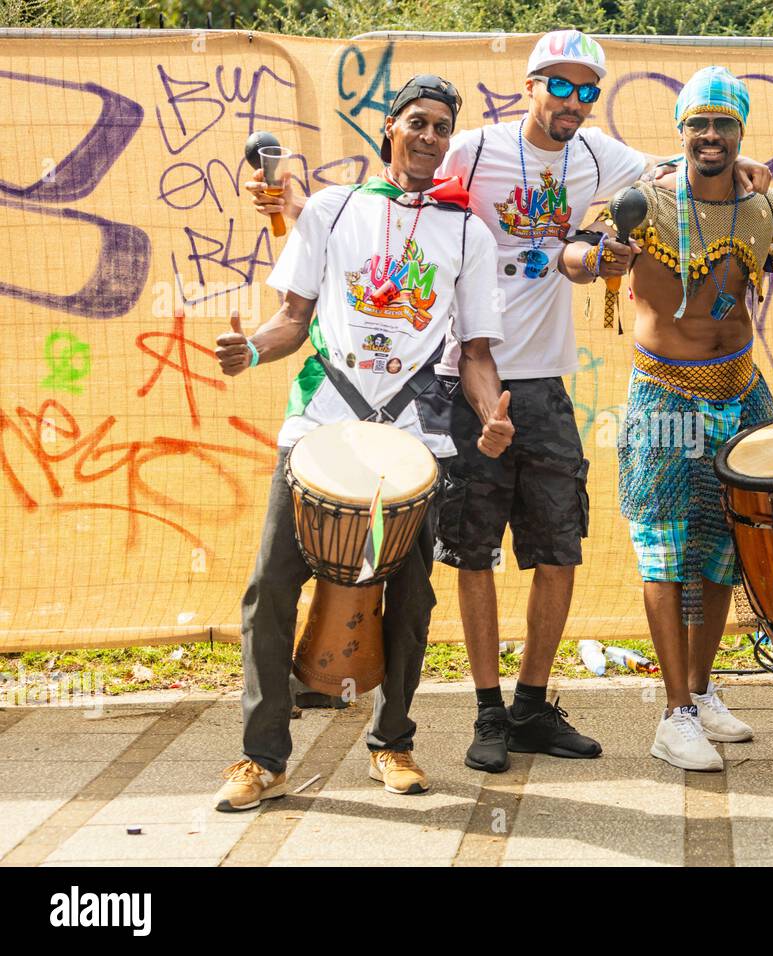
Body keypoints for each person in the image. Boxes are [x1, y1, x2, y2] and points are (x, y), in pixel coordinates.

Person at [248, 31, 773, 775]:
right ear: (528, 84)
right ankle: (486, 710)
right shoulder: (467, 146)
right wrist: (292, 205)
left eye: (587, 89)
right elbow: (394, 199)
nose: (573, 101)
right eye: (558, 85)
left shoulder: (597, 154)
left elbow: (674, 167)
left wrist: (740, 168)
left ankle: (530, 707)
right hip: (464, 378)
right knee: (471, 553)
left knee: (558, 549)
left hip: (547, 383)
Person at [213, 74, 513, 811]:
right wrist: (251, 350)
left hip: (413, 441)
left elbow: (474, 351)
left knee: (409, 597)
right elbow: (293, 316)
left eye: (443, 127)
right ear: (390, 127)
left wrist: (490, 415)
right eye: (418, 122)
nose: (430, 137)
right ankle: (262, 757)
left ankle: (394, 743)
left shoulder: (467, 230)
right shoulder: (331, 207)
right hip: (319, 428)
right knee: (271, 588)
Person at [563, 67, 773, 771]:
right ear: (682, 130)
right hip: (666, 400)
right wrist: (600, 256)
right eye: (700, 124)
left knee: (724, 553)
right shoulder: (645, 203)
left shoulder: (764, 208)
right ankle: (674, 715)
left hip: (742, 395)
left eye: (725, 124)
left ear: (740, 132)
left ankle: (701, 687)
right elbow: (578, 254)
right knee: (665, 555)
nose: (712, 136)